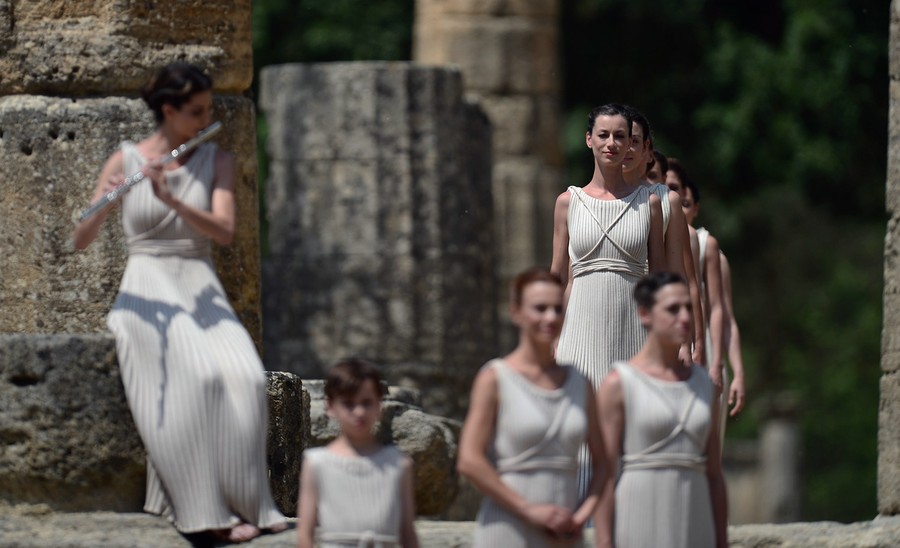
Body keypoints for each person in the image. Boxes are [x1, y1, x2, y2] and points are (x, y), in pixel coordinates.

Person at [72, 62, 287, 543]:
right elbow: (80, 240)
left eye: (207, 110)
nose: (207, 119)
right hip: (146, 286)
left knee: (247, 377)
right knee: (199, 377)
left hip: (197, 279)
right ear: (169, 111)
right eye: (197, 111)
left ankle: (247, 501)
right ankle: (202, 510)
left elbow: (224, 232)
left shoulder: (217, 160)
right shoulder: (126, 158)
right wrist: (106, 202)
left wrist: (171, 199)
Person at [458, 267, 609, 547]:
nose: (551, 317)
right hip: (508, 529)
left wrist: (582, 515)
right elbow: (469, 460)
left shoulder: (581, 383)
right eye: (540, 308)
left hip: (564, 533)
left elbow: (603, 463)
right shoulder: (494, 378)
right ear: (516, 312)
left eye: (558, 309)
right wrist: (528, 510)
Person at [596, 272, 728, 548]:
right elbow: (604, 476)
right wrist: (604, 542)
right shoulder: (619, 383)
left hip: (696, 519)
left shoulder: (704, 384)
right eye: (673, 309)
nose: (685, 317)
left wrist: (721, 540)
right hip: (639, 517)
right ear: (645, 314)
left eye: (689, 307)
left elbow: (715, 474)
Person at [297, 359, 419, 548]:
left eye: (366, 403)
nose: (359, 412)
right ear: (330, 407)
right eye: (349, 404)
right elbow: (305, 535)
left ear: (379, 405)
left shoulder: (399, 463)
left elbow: (408, 533)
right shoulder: (316, 463)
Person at [621, 106, 705, 368]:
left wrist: (689, 343)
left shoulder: (667, 202)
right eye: (622, 139)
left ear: (646, 148)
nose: (625, 148)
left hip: (650, 314)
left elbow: (683, 277)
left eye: (634, 141)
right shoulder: (588, 199)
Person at [681, 181, 746, 418]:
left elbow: (725, 316)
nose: (680, 208)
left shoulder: (708, 249)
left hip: (704, 345)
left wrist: (736, 371)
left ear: (696, 208)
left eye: (686, 203)